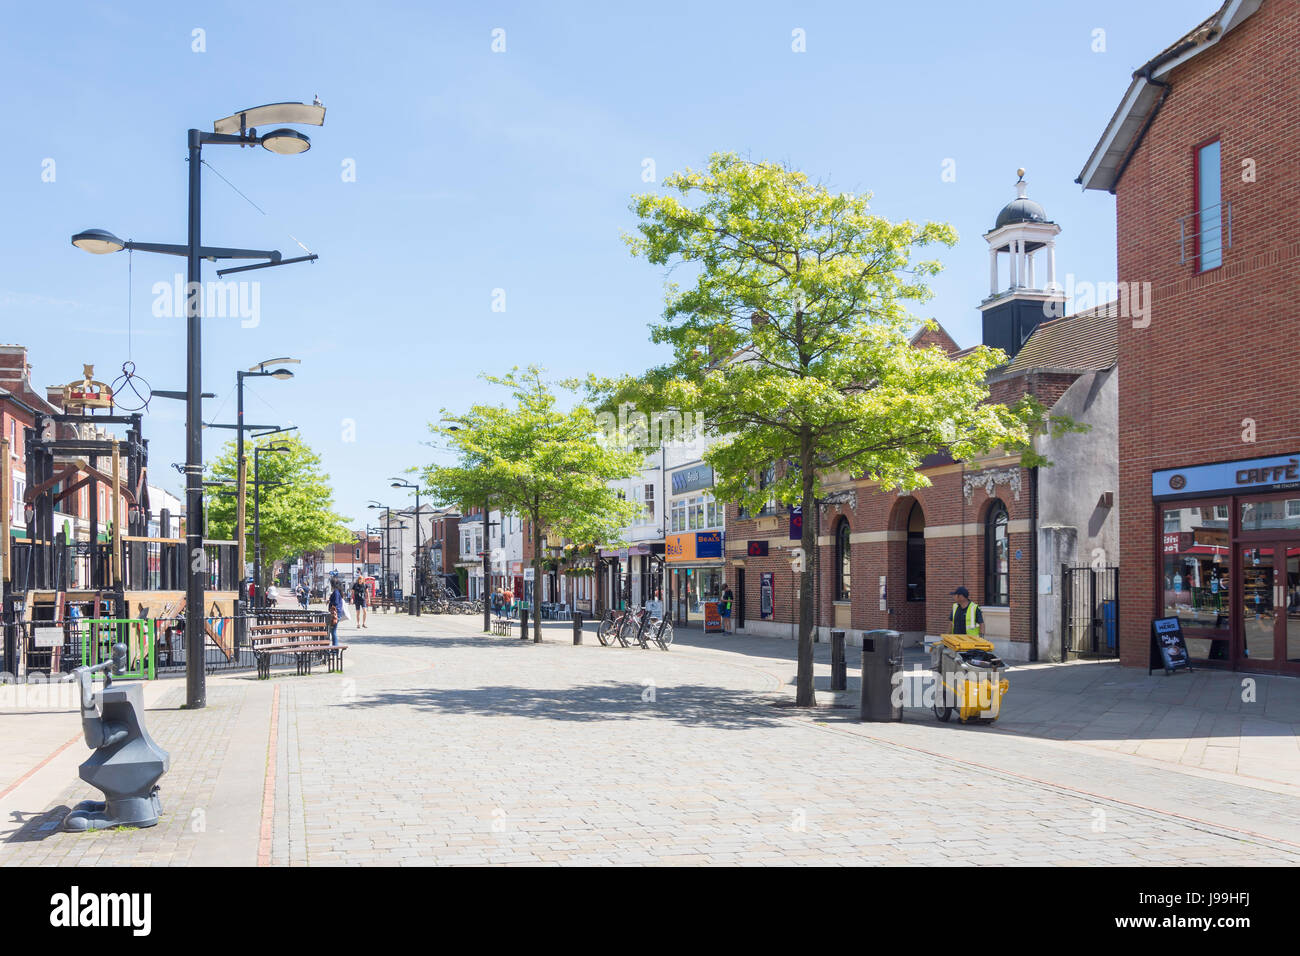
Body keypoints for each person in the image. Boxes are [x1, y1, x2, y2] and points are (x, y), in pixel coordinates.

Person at [327, 578, 344, 646]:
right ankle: (335, 647)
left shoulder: (336, 592)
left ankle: (335, 648)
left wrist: (331, 602)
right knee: (333, 631)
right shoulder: (337, 591)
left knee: (333, 631)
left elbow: (336, 602)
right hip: (337, 613)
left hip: (336, 614)